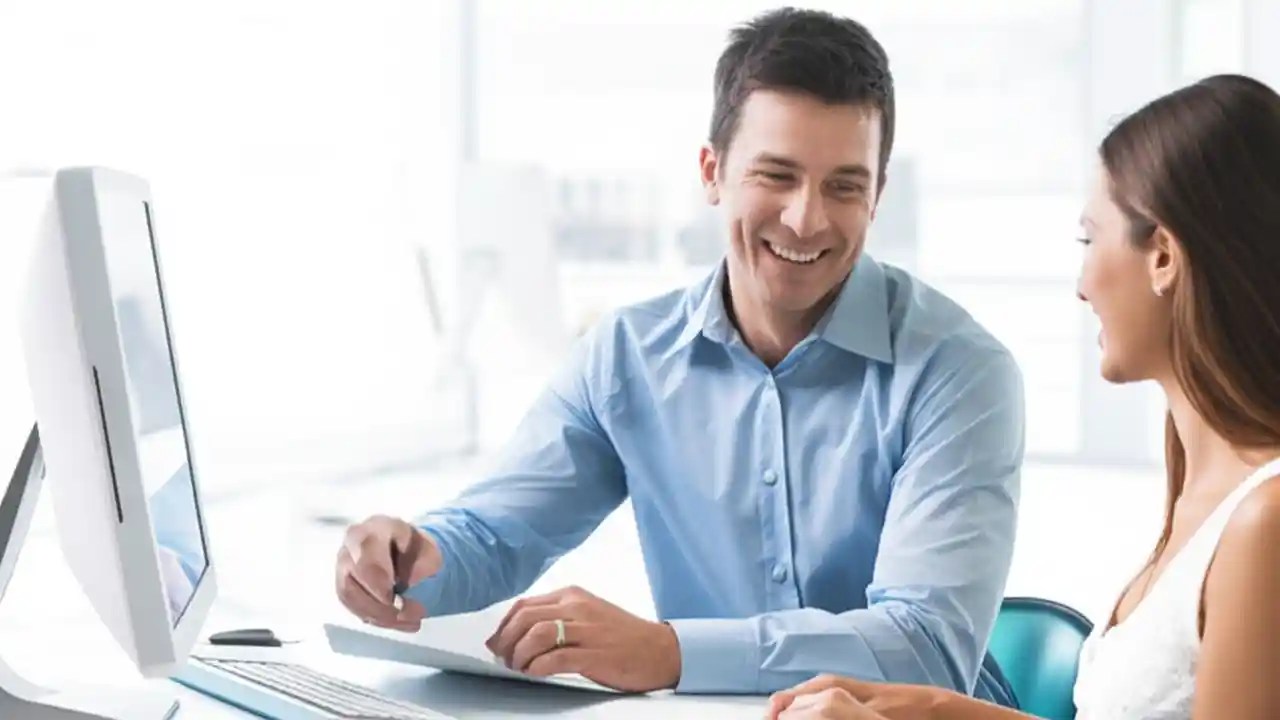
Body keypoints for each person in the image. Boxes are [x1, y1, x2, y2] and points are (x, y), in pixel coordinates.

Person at [334, 7, 1024, 703]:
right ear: (712, 172)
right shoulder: (627, 356)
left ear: (876, 196)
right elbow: (495, 533)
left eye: (844, 185)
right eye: (776, 175)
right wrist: (413, 560)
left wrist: (668, 652)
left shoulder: (959, 373)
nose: (806, 218)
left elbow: (925, 648)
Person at [766, 73, 1280, 720]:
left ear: (1163, 259)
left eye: (1090, 240)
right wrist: (931, 708)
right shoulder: (1203, 493)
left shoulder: (1265, 522)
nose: (1082, 285)